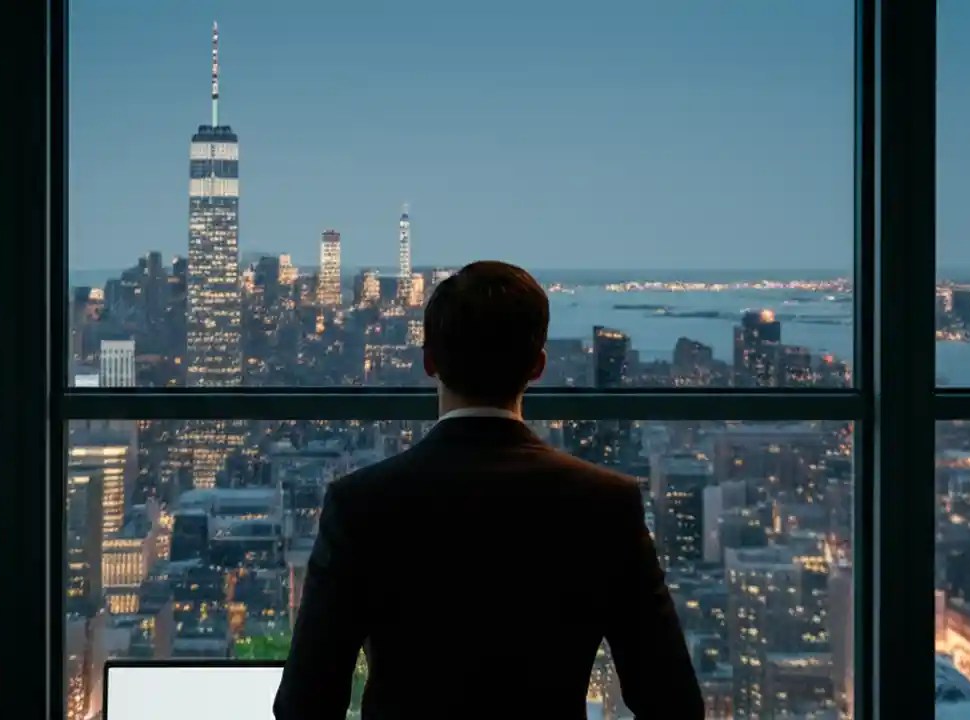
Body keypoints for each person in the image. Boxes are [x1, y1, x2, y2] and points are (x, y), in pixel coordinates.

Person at [275, 261, 704, 719]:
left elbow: (306, 704)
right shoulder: (606, 504)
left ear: (430, 361)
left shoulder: (360, 505)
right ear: (537, 366)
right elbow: (673, 702)